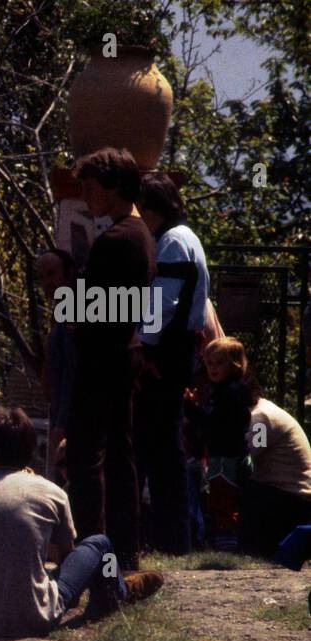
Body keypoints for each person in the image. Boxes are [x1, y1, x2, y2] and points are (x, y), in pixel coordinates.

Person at [0, 407, 163, 638]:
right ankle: (118, 592)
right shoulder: (51, 492)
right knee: (100, 543)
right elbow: (65, 556)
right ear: (31, 452)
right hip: (35, 617)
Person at [67, 147, 156, 573]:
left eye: (90, 188)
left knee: (87, 456)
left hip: (101, 357)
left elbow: (84, 310)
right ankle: (124, 550)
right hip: (123, 352)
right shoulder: (142, 235)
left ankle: (94, 553)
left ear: (115, 186)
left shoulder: (115, 240)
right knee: (120, 454)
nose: (86, 197)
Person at [134, 172, 209, 556]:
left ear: (152, 208)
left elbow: (163, 302)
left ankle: (173, 536)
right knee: (163, 445)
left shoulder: (174, 242)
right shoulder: (182, 237)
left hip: (167, 351)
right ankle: (172, 536)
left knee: (160, 445)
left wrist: (144, 348)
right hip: (174, 349)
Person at [185, 338, 259, 551]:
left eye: (219, 363)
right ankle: (227, 539)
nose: (213, 368)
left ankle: (228, 543)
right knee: (226, 499)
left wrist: (191, 409)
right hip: (233, 454)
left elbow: (213, 425)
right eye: (209, 363)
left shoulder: (228, 393)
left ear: (234, 364)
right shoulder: (233, 391)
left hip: (226, 456)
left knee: (223, 501)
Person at [242, 395, 311, 558]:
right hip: (285, 494)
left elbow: (249, 457)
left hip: (292, 499)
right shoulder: (262, 411)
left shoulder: (261, 419)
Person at [35, 248, 78, 482]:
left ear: (68, 273)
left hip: (72, 419)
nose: (46, 283)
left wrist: (61, 422)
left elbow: (71, 372)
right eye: (41, 277)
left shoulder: (74, 311)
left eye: (51, 274)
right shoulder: (61, 310)